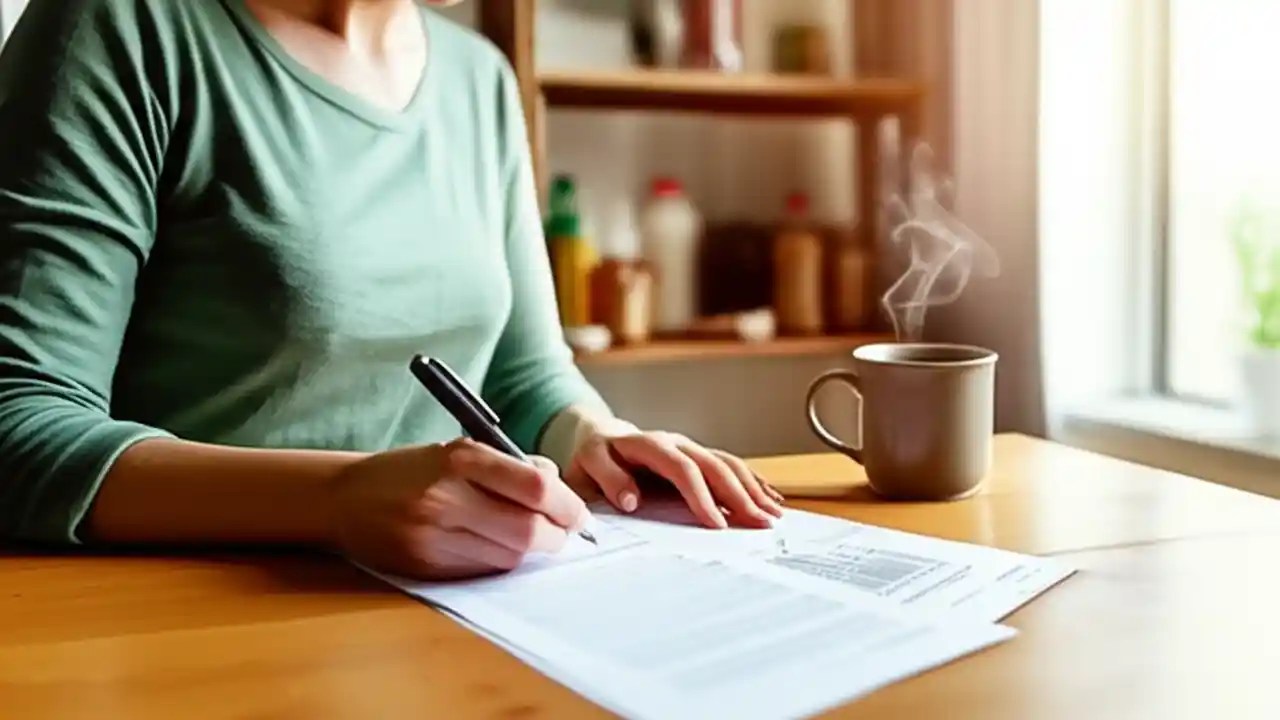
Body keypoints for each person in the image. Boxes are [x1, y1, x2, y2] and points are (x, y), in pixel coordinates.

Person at [0, 0, 783, 580]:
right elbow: (20, 425)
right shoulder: (117, 28)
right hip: (179, 616)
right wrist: (338, 499)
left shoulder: (479, 76)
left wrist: (593, 439)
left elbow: (525, 379)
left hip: (442, 613)